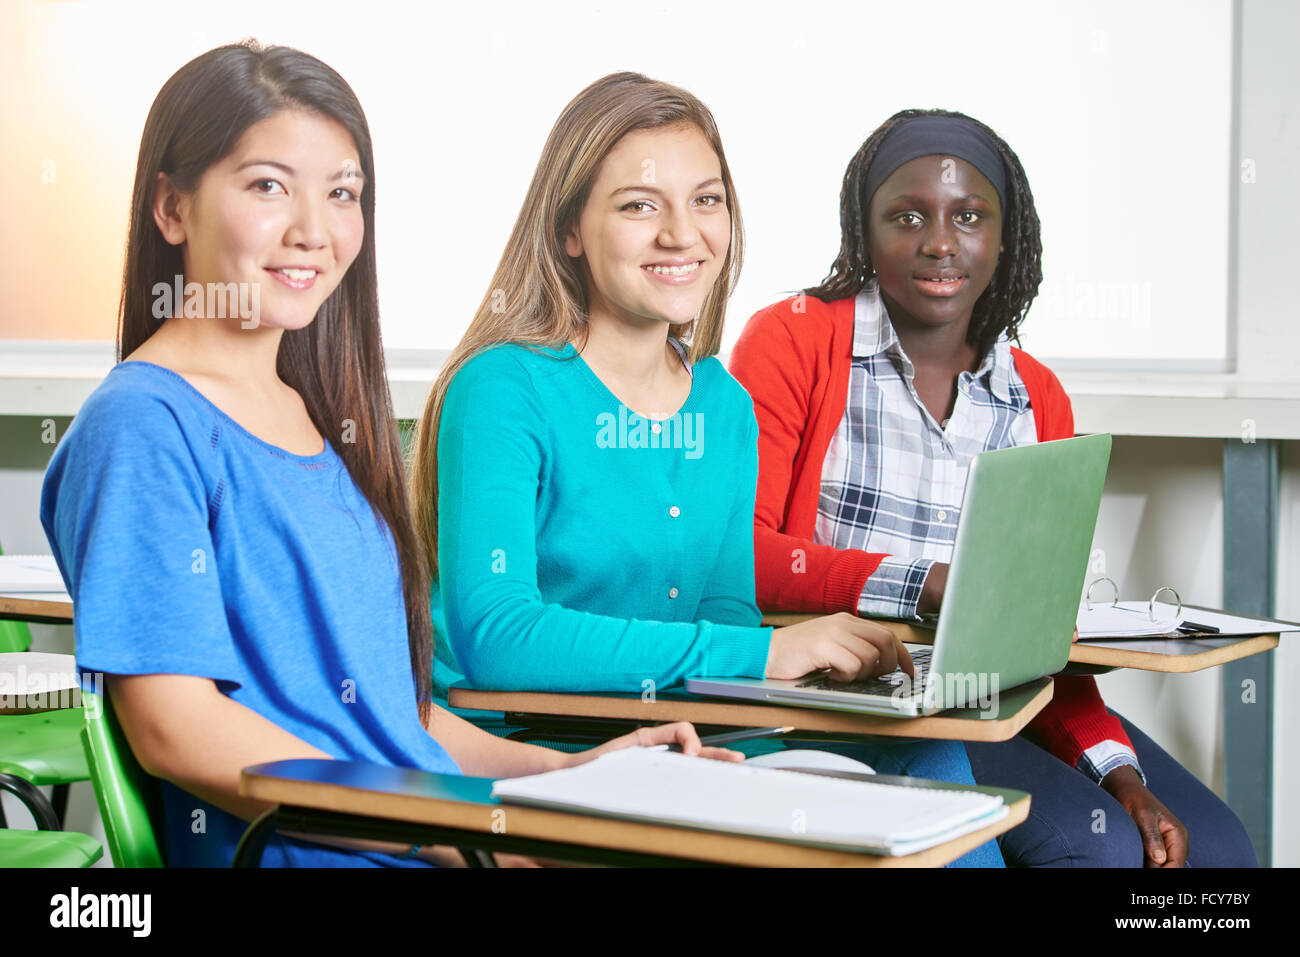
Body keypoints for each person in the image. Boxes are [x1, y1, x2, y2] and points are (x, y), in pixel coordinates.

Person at [39, 41, 739, 869]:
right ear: (171, 208)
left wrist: (570, 777)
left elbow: (398, 716)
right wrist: (442, 835)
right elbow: (176, 729)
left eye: (342, 193)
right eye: (268, 185)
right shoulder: (145, 424)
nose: (313, 230)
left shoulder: (316, 417)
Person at [411, 75, 1003, 867]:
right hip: (540, 753)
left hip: (686, 741)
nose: (682, 235)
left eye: (707, 200)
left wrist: (822, 672)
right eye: (638, 205)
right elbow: (499, 638)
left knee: (937, 767)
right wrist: (761, 658)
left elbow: (722, 618)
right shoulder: (503, 389)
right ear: (569, 232)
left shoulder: (722, 404)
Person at [729, 107, 1258, 867]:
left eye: (970, 217)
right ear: (862, 231)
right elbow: (739, 555)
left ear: (1005, 236)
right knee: (1091, 852)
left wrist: (1121, 774)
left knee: (1220, 850)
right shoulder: (796, 340)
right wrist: (925, 583)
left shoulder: (1036, 395)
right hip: (859, 700)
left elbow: (1037, 637)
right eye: (906, 216)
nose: (940, 242)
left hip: (1001, 699)